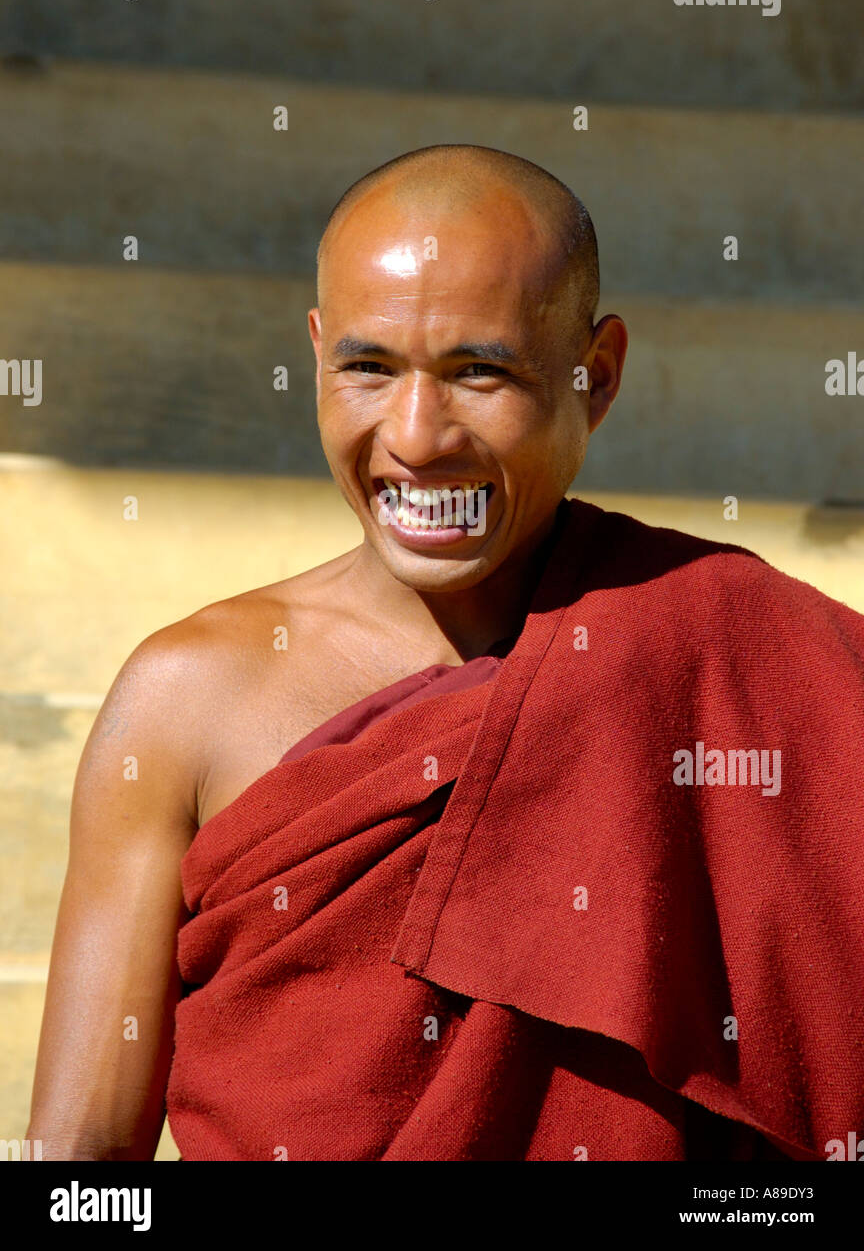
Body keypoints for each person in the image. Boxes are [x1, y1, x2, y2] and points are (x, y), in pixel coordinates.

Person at [27, 144, 864, 1161]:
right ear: (318, 351)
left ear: (594, 377)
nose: (417, 439)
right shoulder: (186, 700)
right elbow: (77, 1158)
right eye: (369, 366)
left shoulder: (730, 650)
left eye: (479, 370)